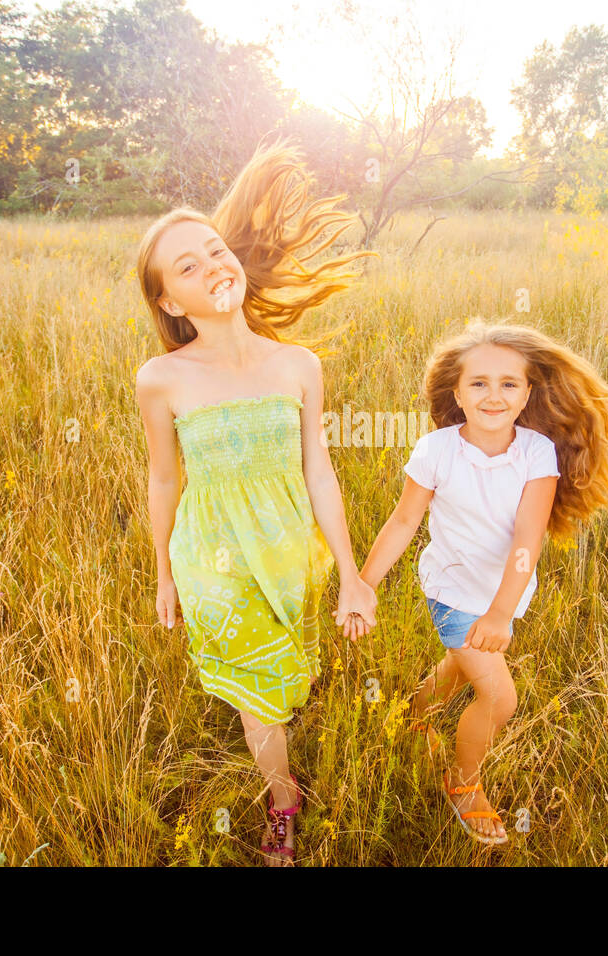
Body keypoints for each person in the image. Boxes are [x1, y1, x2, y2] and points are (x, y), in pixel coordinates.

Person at [134, 140, 377, 865]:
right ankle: (282, 802)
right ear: (170, 301)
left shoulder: (298, 365)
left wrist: (353, 571)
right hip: (212, 557)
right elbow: (163, 480)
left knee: (287, 679)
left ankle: (282, 776)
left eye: (214, 250)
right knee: (258, 697)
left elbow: (319, 472)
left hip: (289, 550)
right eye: (186, 265)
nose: (212, 266)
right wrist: (165, 570)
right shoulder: (162, 378)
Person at [359, 321, 608, 845]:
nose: (493, 395)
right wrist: (364, 584)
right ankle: (462, 784)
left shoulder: (535, 452)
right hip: (451, 590)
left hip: (505, 591)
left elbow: (529, 535)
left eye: (508, 383)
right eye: (478, 383)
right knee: (501, 700)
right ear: (456, 392)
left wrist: (502, 611)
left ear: (528, 393)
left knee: (462, 661)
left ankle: (415, 718)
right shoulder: (436, 450)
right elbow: (403, 522)